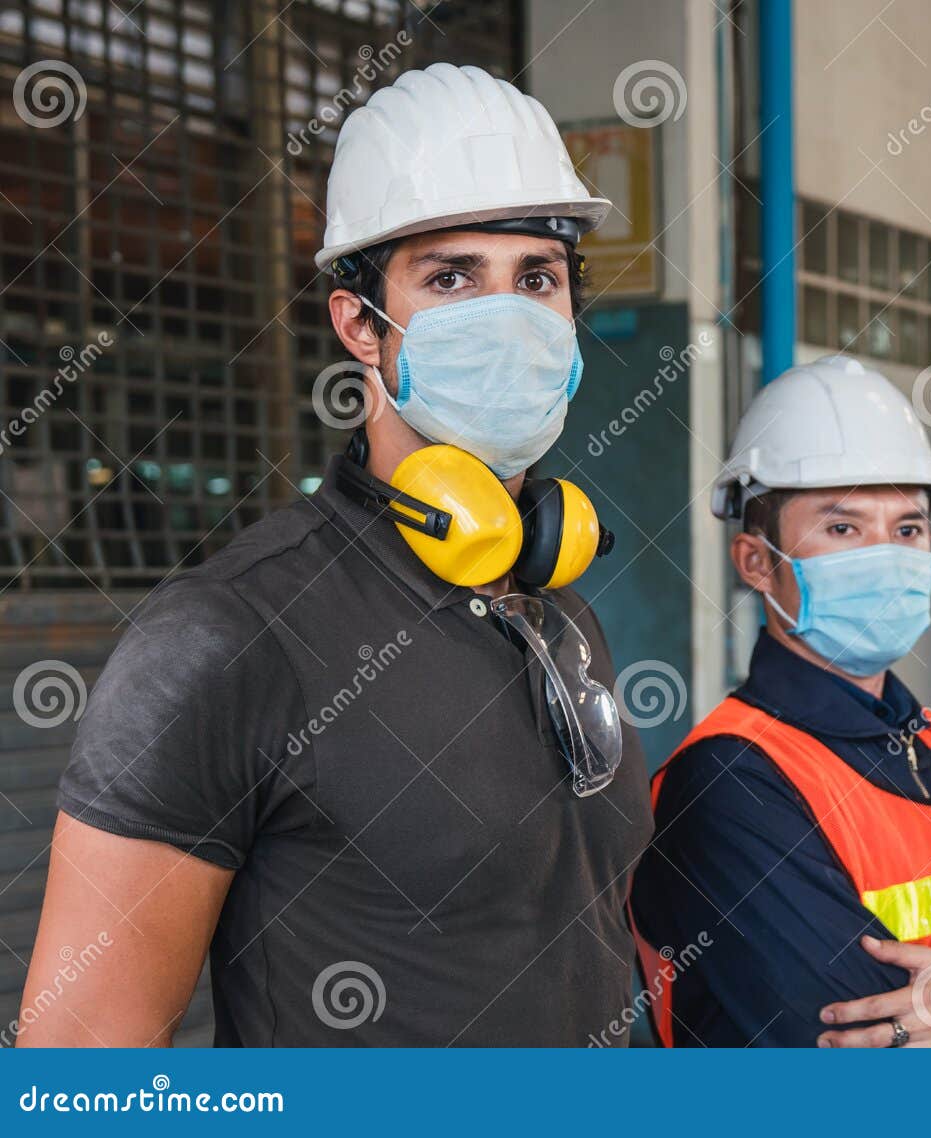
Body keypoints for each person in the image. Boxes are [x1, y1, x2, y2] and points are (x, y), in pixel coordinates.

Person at [18, 64, 651, 1047]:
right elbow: (79, 1070)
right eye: (451, 277)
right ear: (360, 322)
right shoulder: (228, 638)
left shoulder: (558, 605)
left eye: (537, 277)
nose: (510, 314)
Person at [629, 356, 931, 1048]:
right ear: (757, 563)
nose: (887, 555)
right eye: (844, 529)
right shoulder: (728, 781)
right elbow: (862, 1030)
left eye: (909, 529)